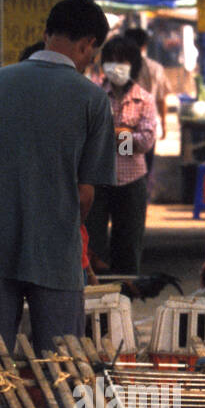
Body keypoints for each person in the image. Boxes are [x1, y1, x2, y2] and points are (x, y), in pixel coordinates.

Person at [0, 0, 117, 408]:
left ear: (45, 34)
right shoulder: (92, 99)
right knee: (61, 366)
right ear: (88, 45)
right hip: (55, 252)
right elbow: (86, 193)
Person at [85, 36, 157, 275]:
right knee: (92, 244)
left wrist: (112, 135)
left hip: (131, 180)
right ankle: (95, 296)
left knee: (128, 243)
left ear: (133, 65)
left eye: (122, 61)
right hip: (97, 179)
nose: (116, 66)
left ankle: (125, 297)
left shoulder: (144, 99)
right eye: (111, 60)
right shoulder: (93, 95)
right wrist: (124, 133)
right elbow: (86, 134)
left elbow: (146, 140)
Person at [123, 26, 169, 163]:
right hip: (148, 127)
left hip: (125, 127)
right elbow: (161, 99)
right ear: (144, 46)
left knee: (126, 164)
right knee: (145, 168)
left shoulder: (119, 68)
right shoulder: (156, 68)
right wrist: (164, 124)